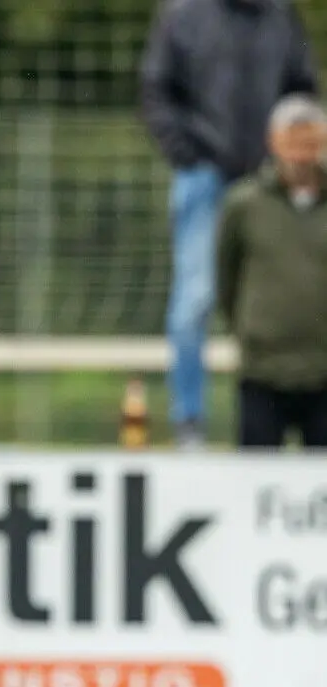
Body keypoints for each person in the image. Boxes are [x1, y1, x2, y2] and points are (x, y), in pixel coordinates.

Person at [139, 0, 317, 450]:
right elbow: (156, 90)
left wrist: (285, 159)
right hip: (203, 177)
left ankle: (293, 411)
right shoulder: (181, 15)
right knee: (193, 303)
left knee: (299, 293)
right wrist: (187, 154)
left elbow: (302, 90)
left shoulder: (280, 15)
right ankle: (190, 425)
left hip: (267, 185)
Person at [217, 95, 327, 449]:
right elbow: (226, 278)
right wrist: (250, 332)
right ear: (273, 143)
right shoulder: (244, 205)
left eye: (309, 142)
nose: (300, 154)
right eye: (291, 143)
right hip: (262, 373)